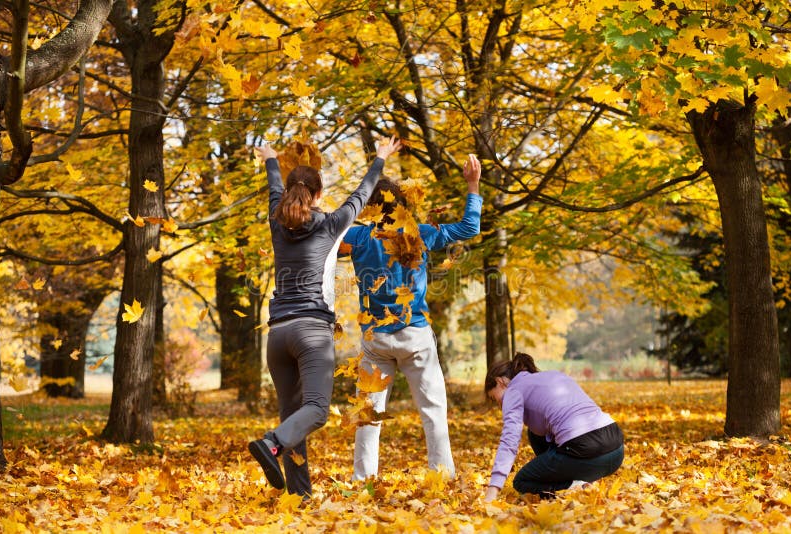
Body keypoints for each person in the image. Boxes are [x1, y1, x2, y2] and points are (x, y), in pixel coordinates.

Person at [248, 136, 402, 497]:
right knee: (316, 410)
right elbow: (362, 194)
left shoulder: (276, 219)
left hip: (278, 335)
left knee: (293, 418)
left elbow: (273, 187)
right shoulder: (331, 224)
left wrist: (271, 159)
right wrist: (380, 157)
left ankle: (298, 496)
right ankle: (271, 443)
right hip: (311, 332)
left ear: (288, 194)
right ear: (318, 195)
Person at [341, 154, 482, 481]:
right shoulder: (420, 234)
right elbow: (470, 227)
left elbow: (322, 239)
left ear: (370, 207)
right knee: (433, 411)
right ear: (402, 205)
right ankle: (442, 478)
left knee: (369, 415)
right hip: (415, 335)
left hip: (376, 338)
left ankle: (363, 481)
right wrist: (472, 184)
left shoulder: (359, 238)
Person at [483, 352, 624, 501]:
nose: (499, 405)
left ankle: (573, 485)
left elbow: (509, 440)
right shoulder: (553, 375)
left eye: (495, 398)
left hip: (586, 452)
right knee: (534, 433)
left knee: (522, 481)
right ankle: (577, 481)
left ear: (499, 382)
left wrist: (493, 489)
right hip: (616, 450)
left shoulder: (512, 391)